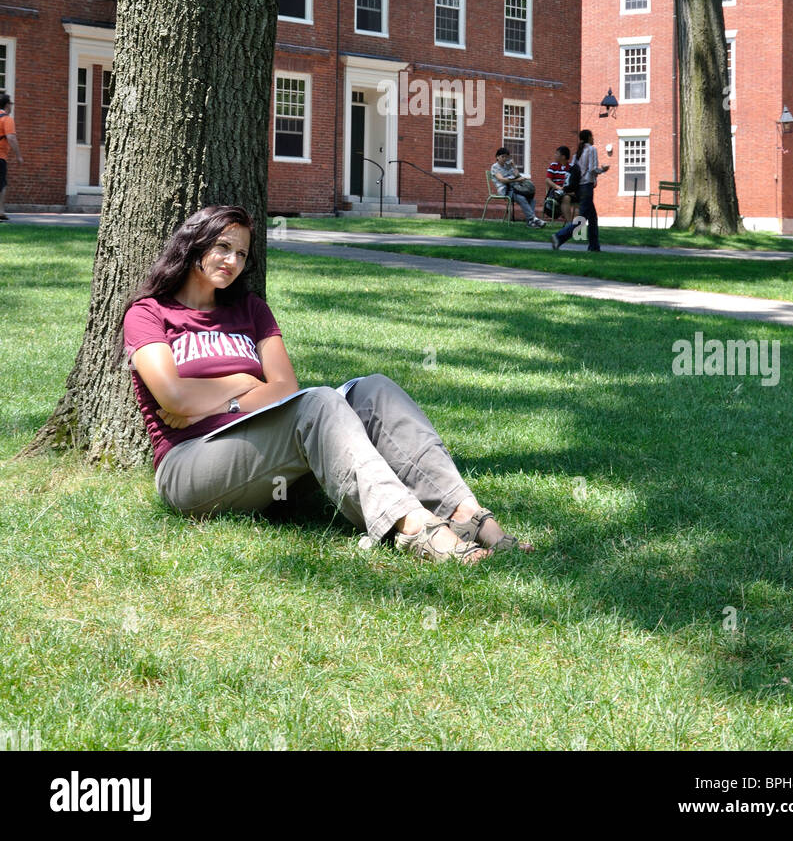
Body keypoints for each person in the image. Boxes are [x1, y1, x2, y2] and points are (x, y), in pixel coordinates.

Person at [120, 204, 533, 563]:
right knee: (317, 402)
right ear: (194, 245)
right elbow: (172, 395)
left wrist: (225, 394)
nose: (232, 260)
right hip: (190, 465)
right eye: (223, 247)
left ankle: (469, 515)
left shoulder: (250, 309)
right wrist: (244, 384)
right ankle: (412, 526)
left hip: (266, 457)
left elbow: (284, 388)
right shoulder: (149, 312)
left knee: (374, 390)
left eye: (242, 253)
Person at [551, 129, 608, 252]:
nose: (593, 139)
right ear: (588, 138)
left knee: (592, 218)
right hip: (587, 186)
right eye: (592, 137)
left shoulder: (577, 154)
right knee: (582, 218)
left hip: (579, 188)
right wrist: (603, 170)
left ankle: (594, 247)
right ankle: (559, 237)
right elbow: (592, 169)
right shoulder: (592, 150)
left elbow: (573, 170)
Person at [489, 146, 545, 227]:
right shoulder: (495, 167)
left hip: (515, 188)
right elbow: (502, 180)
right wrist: (516, 180)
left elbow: (517, 175)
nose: (504, 158)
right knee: (521, 198)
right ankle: (533, 219)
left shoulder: (507, 165)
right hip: (505, 190)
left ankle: (530, 221)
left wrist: (514, 166)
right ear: (497, 157)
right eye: (502, 156)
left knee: (532, 199)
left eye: (506, 156)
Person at [0, 92, 23, 221]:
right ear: (7, 105)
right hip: (0, 156)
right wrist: (19, 156)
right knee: (1, 184)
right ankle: (0, 212)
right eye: (11, 103)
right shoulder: (7, 119)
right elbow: (11, 138)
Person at [545, 145, 574, 222]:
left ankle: (570, 224)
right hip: (555, 190)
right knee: (566, 197)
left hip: (567, 190)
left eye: (556, 154)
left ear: (563, 157)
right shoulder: (553, 166)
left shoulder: (572, 167)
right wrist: (557, 187)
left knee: (567, 196)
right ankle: (569, 224)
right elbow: (548, 180)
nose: (555, 155)